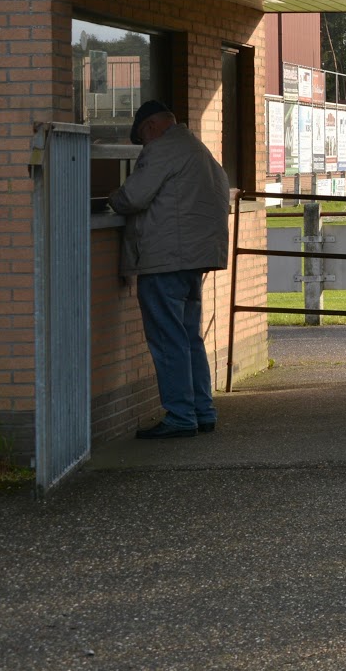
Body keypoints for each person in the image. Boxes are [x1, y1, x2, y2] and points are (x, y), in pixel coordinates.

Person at [108, 100, 231, 439]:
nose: (144, 146)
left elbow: (132, 197)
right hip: (195, 260)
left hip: (166, 259)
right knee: (190, 337)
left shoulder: (163, 149)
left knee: (168, 338)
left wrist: (111, 196)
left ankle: (180, 416)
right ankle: (203, 411)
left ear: (150, 128)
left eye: (143, 139)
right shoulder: (197, 149)